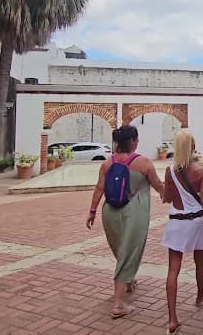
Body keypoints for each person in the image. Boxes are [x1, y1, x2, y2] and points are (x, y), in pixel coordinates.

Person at [86, 125, 164, 319]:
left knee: (122, 249)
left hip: (109, 213)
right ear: (132, 141)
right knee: (129, 251)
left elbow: (98, 189)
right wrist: (171, 196)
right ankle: (119, 305)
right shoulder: (144, 163)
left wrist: (92, 211)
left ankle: (128, 281)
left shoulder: (107, 163)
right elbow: (159, 186)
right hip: (133, 213)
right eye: (136, 139)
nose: (137, 142)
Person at [162, 130, 203, 334]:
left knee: (173, 270)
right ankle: (199, 294)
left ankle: (172, 319)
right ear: (193, 147)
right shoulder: (202, 172)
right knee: (200, 261)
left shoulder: (169, 171)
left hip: (176, 222)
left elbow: (167, 198)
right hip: (196, 221)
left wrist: (170, 190)